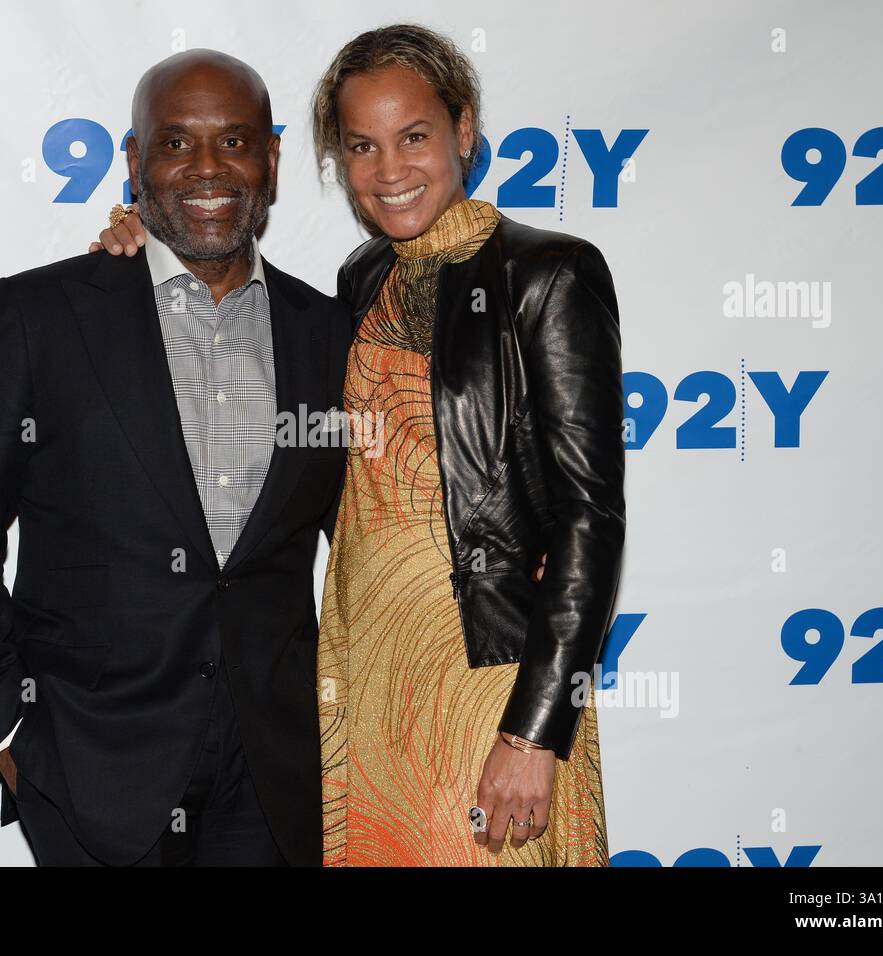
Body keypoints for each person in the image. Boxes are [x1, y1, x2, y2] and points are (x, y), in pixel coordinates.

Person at [96, 24, 625, 867]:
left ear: (463, 131)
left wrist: (534, 734)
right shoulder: (363, 281)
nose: (390, 170)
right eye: (361, 147)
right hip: (360, 664)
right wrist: (138, 241)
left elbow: (590, 522)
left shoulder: (547, 276)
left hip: (484, 677)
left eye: (414, 137)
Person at [0, 49, 352, 866]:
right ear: (135, 162)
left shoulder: (329, 335)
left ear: (273, 160)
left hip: (276, 785)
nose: (208, 168)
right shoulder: (36, 316)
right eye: (176, 144)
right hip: (90, 773)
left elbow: (373, 525)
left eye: (236, 141)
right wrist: (3, 728)